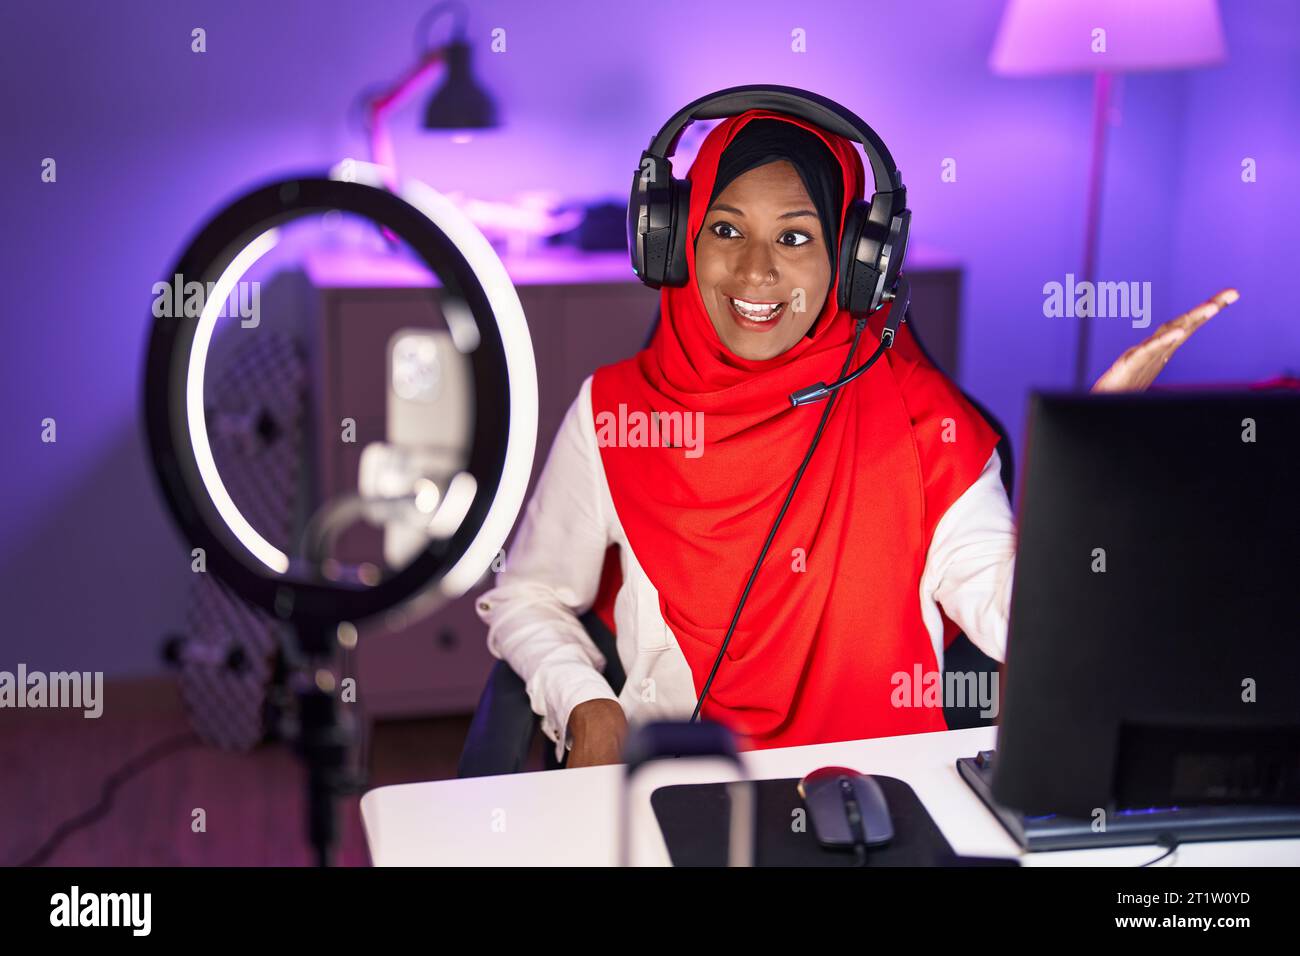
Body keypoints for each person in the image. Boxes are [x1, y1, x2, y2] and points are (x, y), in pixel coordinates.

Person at [474, 105, 1237, 769]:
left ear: (853, 262)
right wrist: (585, 703)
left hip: (875, 804)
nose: (754, 271)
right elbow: (529, 596)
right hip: (673, 790)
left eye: (797, 238)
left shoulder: (921, 420)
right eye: (726, 228)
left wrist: (1097, 463)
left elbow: (1021, 626)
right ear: (677, 241)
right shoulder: (618, 413)